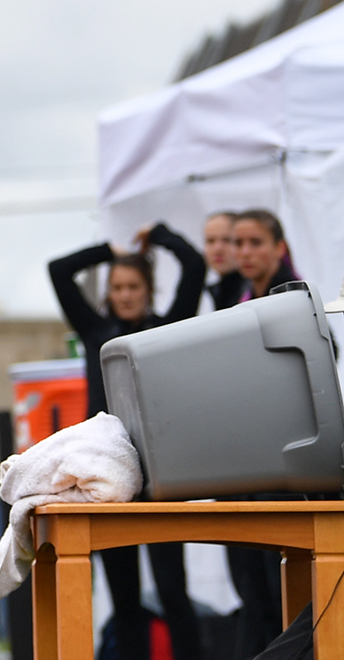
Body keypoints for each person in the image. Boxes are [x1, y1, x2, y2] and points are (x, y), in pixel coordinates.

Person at [48, 224, 207, 660]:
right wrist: (108, 250)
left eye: (133, 286)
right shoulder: (95, 329)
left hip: (160, 476)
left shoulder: (166, 328)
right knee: (125, 599)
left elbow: (194, 265)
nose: (125, 294)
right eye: (117, 287)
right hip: (110, 477)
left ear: (148, 289)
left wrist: (158, 235)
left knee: (173, 590)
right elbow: (59, 271)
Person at [214, 207, 300, 656]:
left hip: (284, 470)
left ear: (278, 248)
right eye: (238, 243)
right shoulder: (238, 300)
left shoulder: (295, 298)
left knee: (282, 586)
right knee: (250, 587)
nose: (243, 252)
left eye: (254, 242)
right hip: (244, 467)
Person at [202, 210, 241, 309]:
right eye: (210, 241)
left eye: (227, 240)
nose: (218, 249)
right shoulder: (216, 291)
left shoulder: (253, 291)